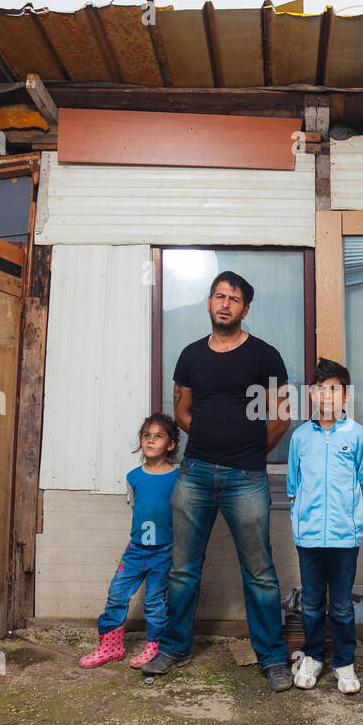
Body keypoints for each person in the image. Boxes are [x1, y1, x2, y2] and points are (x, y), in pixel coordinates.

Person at [142, 270, 294, 691]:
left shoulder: (265, 356)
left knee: (259, 572)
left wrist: (246, 452)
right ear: (209, 303)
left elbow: (282, 417)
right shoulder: (191, 355)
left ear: (245, 308)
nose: (225, 303)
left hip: (247, 478)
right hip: (195, 475)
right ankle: (173, 647)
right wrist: (212, 442)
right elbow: (184, 412)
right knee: (183, 571)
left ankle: (272, 657)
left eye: (235, 298)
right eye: (219, 296)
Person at [286, 358, 363, 693]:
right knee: (310, 603)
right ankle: (312, 656)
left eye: (334, 389)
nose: (327, 396)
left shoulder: (360, 436)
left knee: (340, 604)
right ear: (312, 394)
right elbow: (293, 485)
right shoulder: (300, 438)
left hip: (344, 537)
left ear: (345, 396)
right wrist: (301, 520)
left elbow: (362, 479)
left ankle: (344, 662)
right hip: (308, 537)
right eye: (321, 389)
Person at [79, 413, 180, 669]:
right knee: (116, 594)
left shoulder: (179, 476)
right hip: (135, 550)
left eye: (158, 436)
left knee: (155, 602)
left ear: (170, 444)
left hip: (165, 551)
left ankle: (154, 647)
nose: (150, 440)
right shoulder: (133, 476)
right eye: (146, 435)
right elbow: (136, 507)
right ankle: (111, 647)